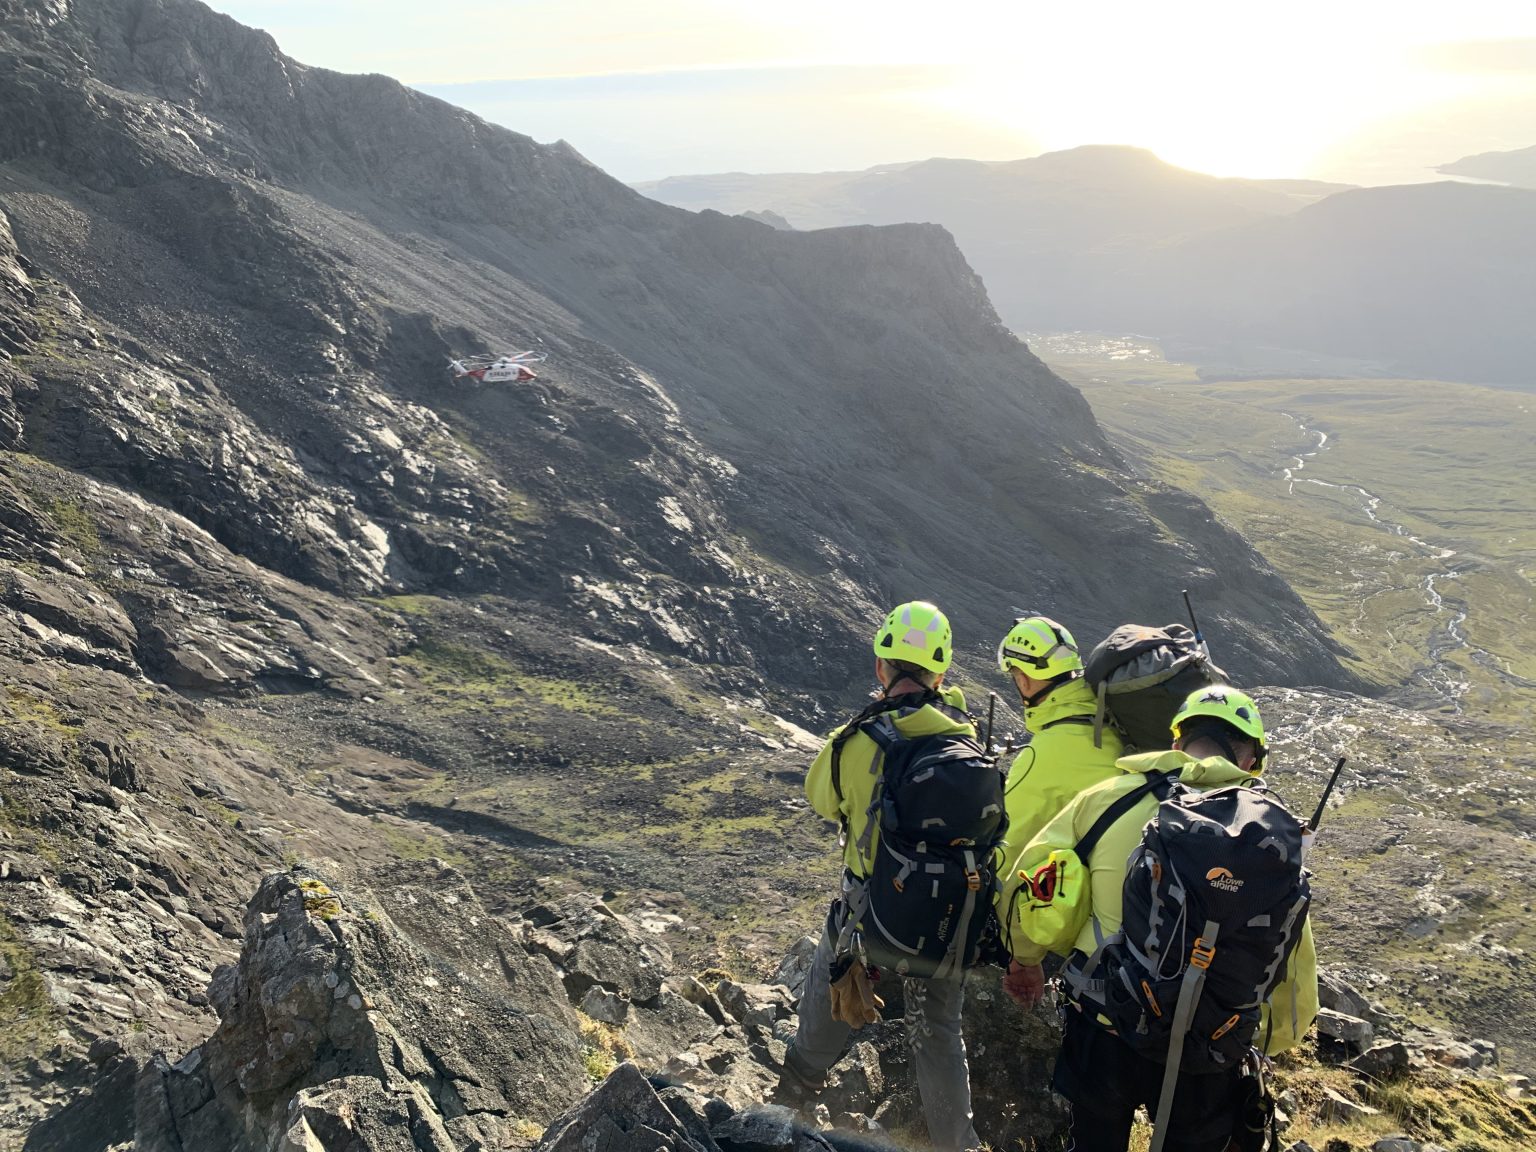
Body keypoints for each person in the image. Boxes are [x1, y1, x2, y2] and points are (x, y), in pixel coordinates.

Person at [1003, 687, 1319, 1152]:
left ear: (1177, 742)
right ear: (1252, 760)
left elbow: (1030, 879)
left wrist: (1024, 961)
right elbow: (1290, 960)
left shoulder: (1107, 799)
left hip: (1105, 1019)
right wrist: (1260, 1038)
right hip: (1209, 1048)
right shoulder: (1269, 845)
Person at [782, 600, 982, 1152]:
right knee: (938, 1034)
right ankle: (954, 1144)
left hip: (868, 915)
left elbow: (821, 799)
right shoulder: (964, 741)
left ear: (881, 668)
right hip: (941, 919)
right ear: (941, 673)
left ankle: (792, 1096)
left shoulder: (856, 739)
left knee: (831, 988)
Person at [991, 616, 1124, 963]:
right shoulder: (1112, 727)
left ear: (1024, 677)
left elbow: (1009, 855)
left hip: (1076, 931)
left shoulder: (1045, 753)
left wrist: (1022, 956)